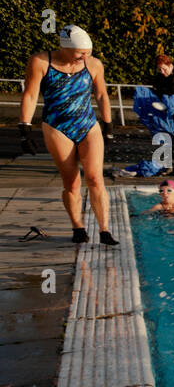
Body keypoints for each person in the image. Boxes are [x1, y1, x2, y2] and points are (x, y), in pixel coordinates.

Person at [17, 25, 119, 245]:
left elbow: (101, 95)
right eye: (80, 53)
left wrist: (108, 126)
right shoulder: (42, 62)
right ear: (64, 47)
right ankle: (78, 227)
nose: (84, 57)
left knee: (95, 178)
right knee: (72, 183)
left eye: (87, 52)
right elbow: (31, 94)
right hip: (57, 127)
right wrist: (24, 129)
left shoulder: (93, 64)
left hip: (87, 125)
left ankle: (104, 230)